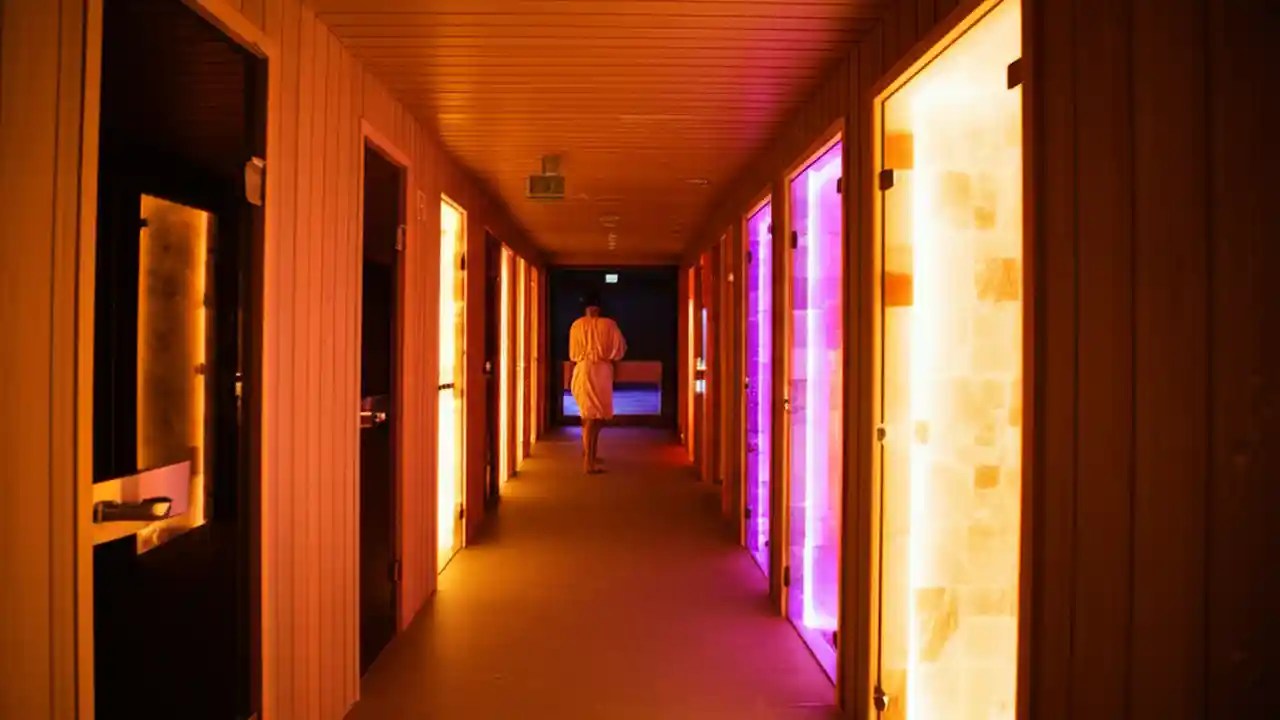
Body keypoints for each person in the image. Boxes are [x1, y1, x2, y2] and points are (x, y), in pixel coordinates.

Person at [569, 290, 627, 474]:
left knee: (588, 416)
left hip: (582, 369)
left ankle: (589, 454)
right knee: (595, 418)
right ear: (599, 308)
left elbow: (572, 353)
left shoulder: (576, 325)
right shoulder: (609, 324)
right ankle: (589, 461)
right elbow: (620, 349)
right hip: (601, 370)